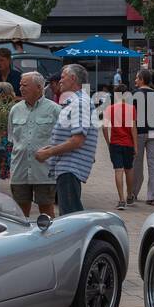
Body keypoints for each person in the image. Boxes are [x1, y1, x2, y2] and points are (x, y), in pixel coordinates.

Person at [35, 64, 97, 215]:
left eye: (63, 77)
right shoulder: (76, 102)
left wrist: (49, 153)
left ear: (73, 79)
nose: (60, 81)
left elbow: (77, 140)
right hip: (67, 167)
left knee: (70, 218)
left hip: (70, 168)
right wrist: (50, 148)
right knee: (70, 216)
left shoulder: (80, 103)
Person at [8, 71, 61, 218]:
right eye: (20, 85)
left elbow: (62, 140)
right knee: (19, 214)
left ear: (39, 88)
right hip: (20, 170)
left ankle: (50, 240)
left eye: (25, 85)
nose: (21, 88)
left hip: (44, 171)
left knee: (47, 212)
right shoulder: (15, 110)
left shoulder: (55, 110)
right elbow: (11, 140)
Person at [128, 69, 154, 207]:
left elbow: (131, 118)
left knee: (137, 164)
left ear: (141, 79)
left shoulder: (135, 95)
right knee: (153, 164)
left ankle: (133, 193)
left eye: (136, 78)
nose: (135, 80)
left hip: (139, 132)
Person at [103, 84, 136, 210]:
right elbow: (133, 128)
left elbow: (104, 127)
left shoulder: (109, 109)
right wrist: (136, 145)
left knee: (118, 170)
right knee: (129, 170)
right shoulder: (131, 108)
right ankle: (129, 195)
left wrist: (108, 142)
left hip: (115, 143)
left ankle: (121, 200)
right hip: (128, 143)